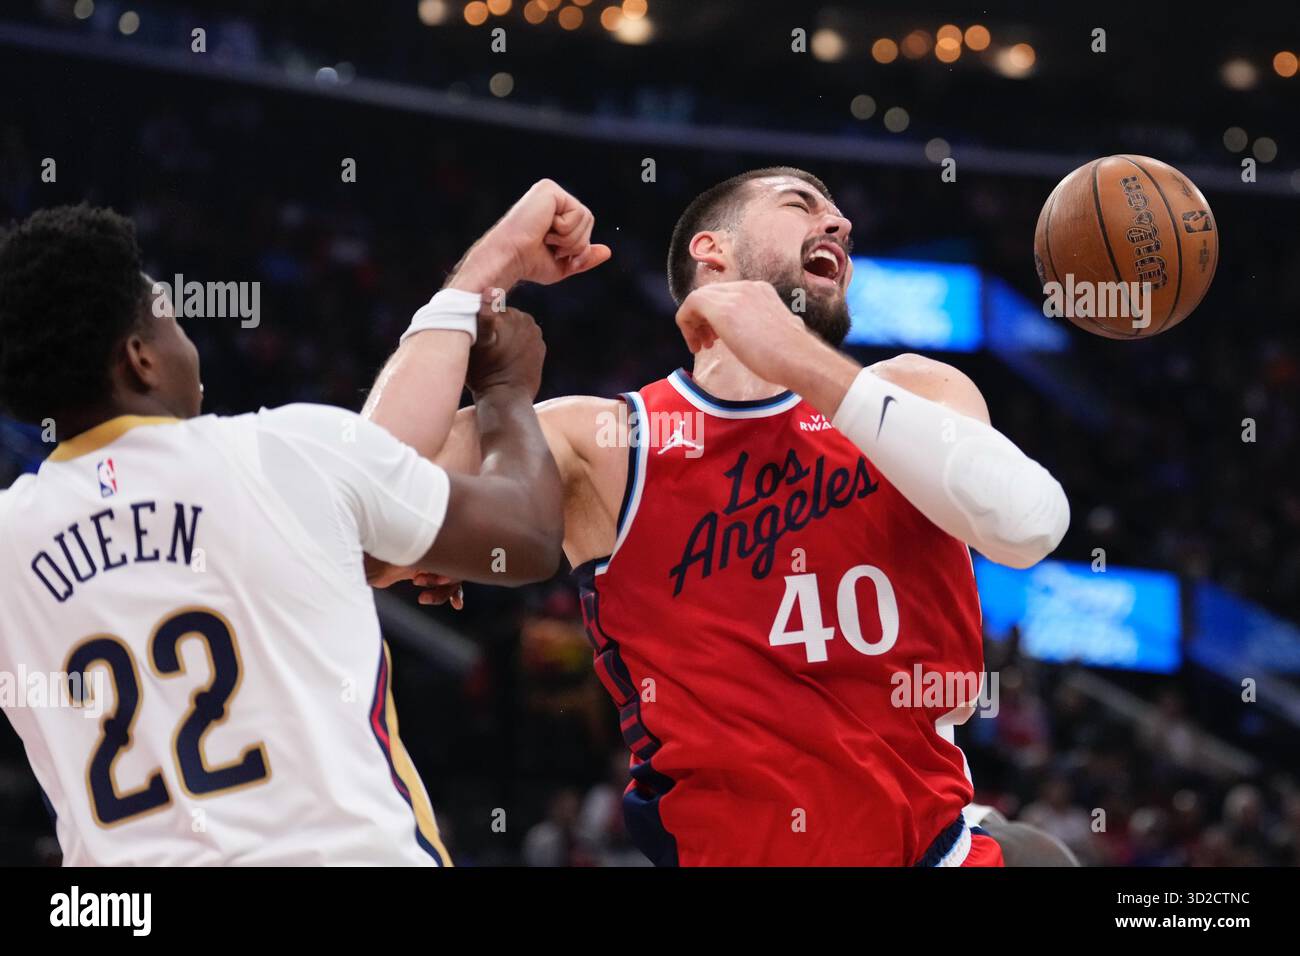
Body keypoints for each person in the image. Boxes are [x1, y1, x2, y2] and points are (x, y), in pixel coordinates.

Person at [371, 169, 1071, 865]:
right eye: (801, 204)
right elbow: (359, 498)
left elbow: (1029, 524)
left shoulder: (917, 389)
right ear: (713, 251)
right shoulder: (604, 442)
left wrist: (794, 357)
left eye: (840, 217)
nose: (840, 224)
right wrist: (485, 270)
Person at [0, 202, 564, 865]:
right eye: (170, 320)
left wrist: (483, 272)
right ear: (139, 360)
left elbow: (362, 496)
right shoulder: (282, 450)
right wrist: (505, 390)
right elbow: (526, 533)